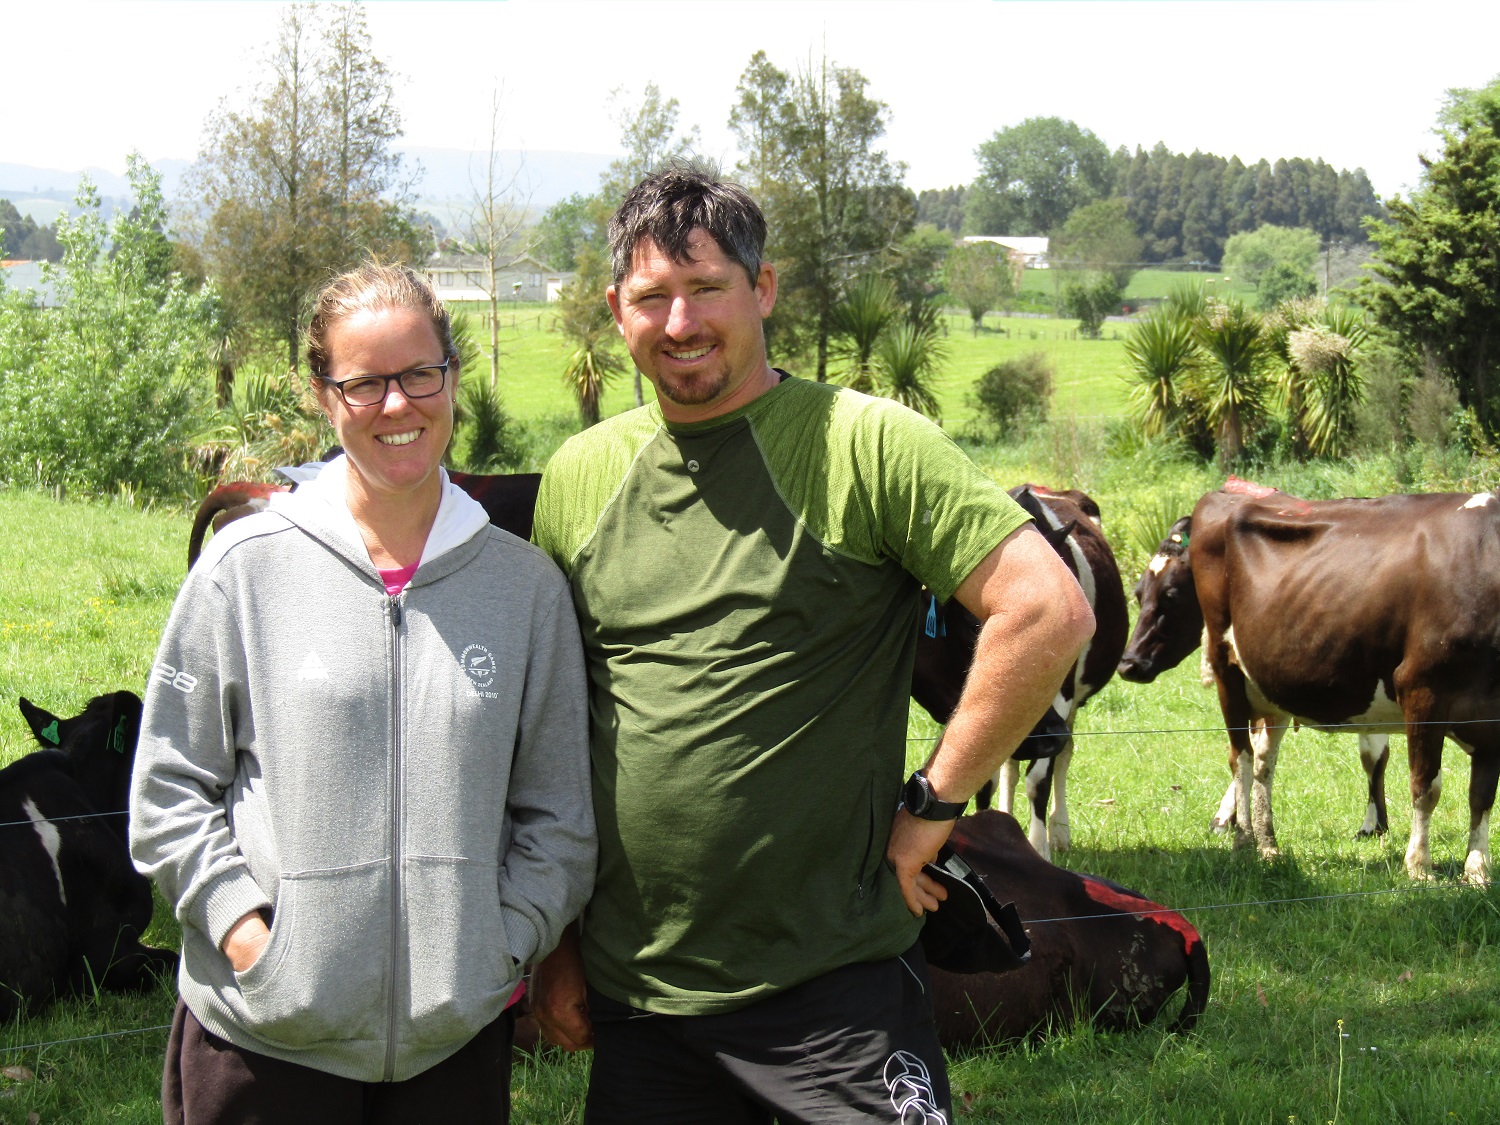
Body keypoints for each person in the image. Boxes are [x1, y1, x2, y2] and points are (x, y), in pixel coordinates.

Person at [529, 165, 1094, 1123]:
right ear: (616, 310)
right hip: (643, 1000)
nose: (680, 322)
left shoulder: (864, 444)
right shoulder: (580, 474)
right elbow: (554, 726)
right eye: (652, 296)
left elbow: (1047, 609)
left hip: (835, 996)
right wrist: (560, 943)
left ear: (764, 288)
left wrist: (936, 802)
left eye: (707, 287)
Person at [130, 263, 595, 1124]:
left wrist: (499, 944)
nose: (397, 404)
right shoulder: (243, 569)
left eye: (420, 373)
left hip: (451, 1049)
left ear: (453, 376)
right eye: (364, 383)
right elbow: (167, 789)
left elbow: (559, 817)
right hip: (261, 1045)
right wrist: (250, 937)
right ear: (323, 394)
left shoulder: (526, 589)